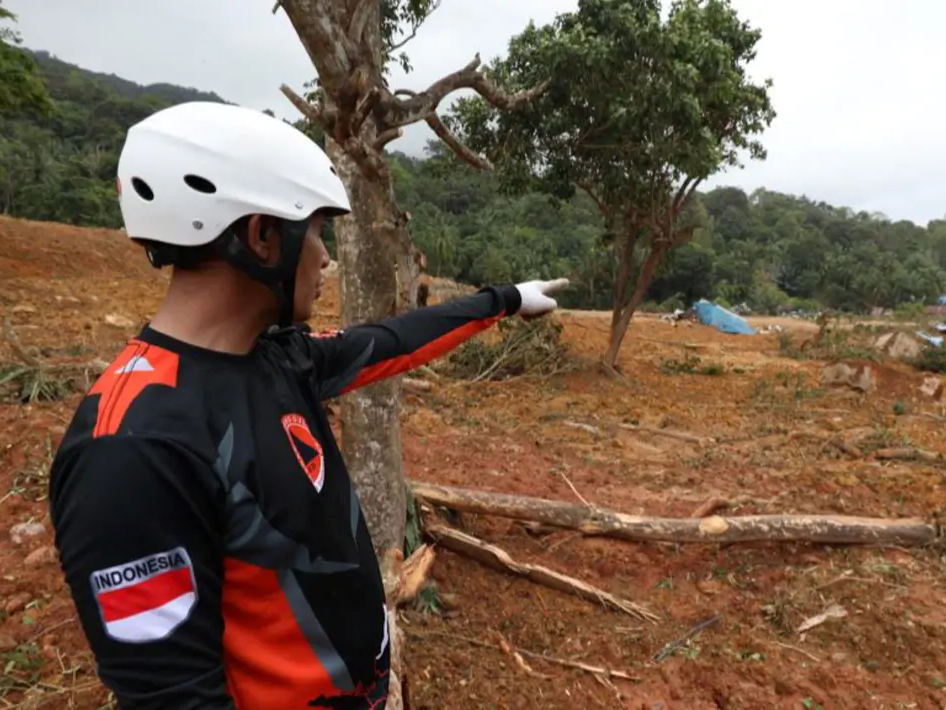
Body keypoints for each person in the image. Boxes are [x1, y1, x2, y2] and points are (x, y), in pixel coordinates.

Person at [48, 101, 569, 709]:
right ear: (261, 237)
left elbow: (388, 340)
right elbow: (170, 693)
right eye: (317, 230)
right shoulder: (133, 447)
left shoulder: (275, 358)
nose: (325, 257)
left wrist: (502, 300)